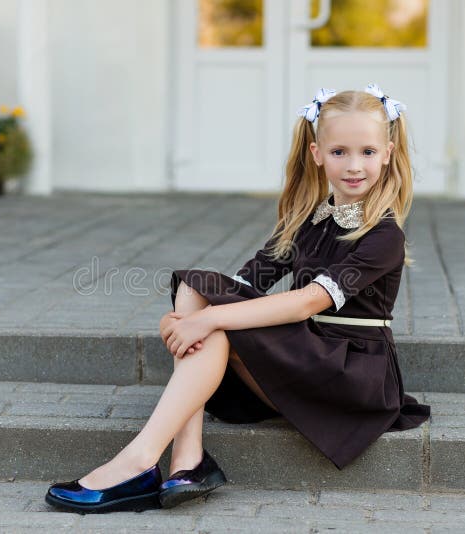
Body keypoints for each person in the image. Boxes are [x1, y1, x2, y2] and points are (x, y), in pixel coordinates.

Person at [45, 83, 432, 514]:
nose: (353, 165)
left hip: (352, 376)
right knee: (197, 287)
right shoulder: (305, 221)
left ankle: (141, 460)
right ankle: (187, 459)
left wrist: (205, 322)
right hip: (311, 358)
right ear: (316, 153)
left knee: (218, 322)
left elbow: (306, 303)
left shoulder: (384, 235)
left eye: (367, 152)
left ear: (388, 153)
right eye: (339, 152)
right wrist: (182, 317)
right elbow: (243, 282)